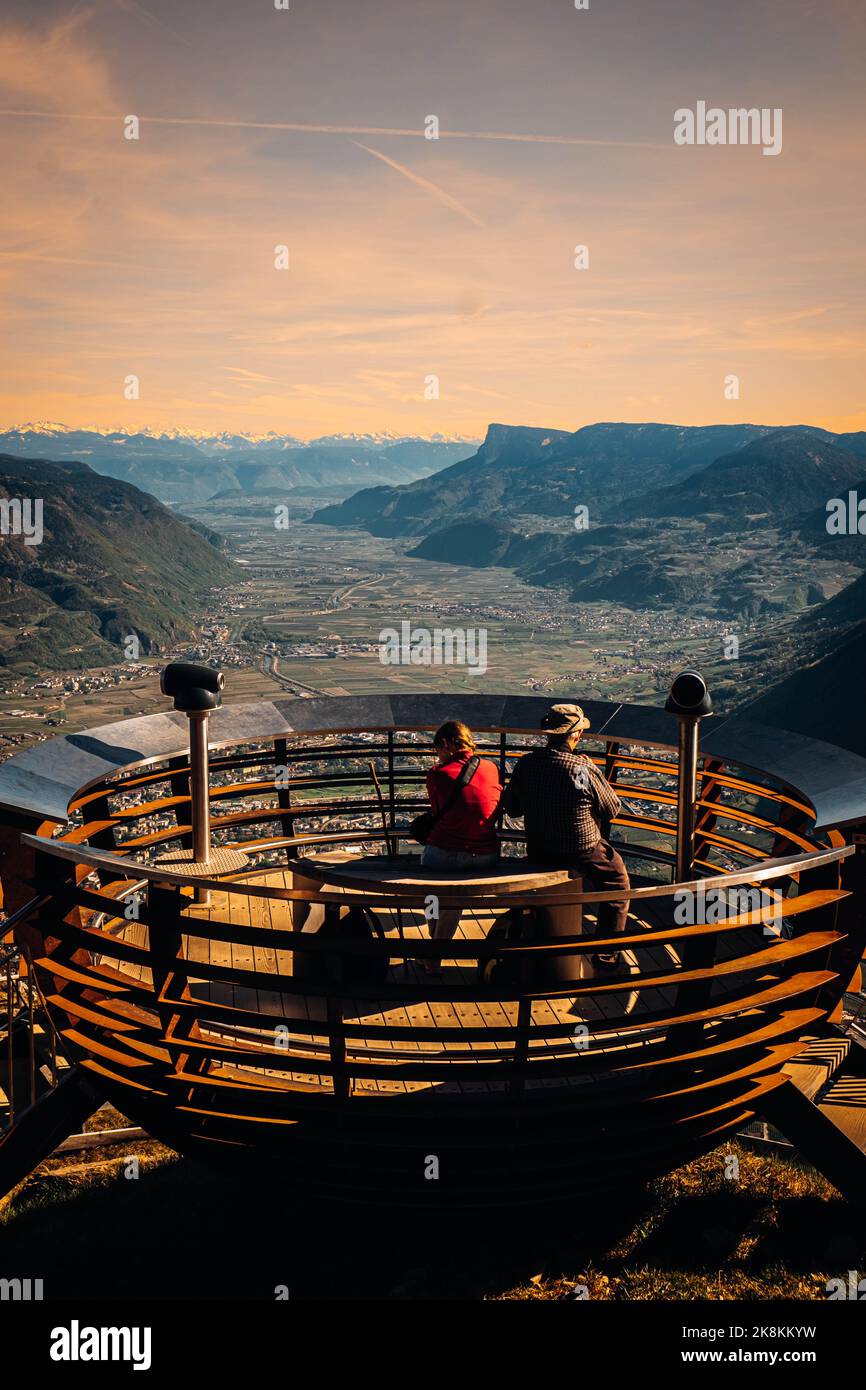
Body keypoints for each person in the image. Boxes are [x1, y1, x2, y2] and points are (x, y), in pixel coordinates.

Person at [502, 703, 631, 971]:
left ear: (549, 734)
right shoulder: (582, 768)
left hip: (540, 848)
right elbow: (612, 809)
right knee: (617, 885)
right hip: (582, 849)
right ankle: (606, 957)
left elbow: (512, 808)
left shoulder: (527, 764)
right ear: (576, 735)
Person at [420, 721, 501, 973]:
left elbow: (436, 813)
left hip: (444, 857)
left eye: (438, 750)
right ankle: (434, 951)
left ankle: (434, 952)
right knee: (452, 897)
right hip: (487, 855)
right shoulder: (491, 768)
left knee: (432, 894)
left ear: (445, 744)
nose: (438, 755)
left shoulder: (437, 774)